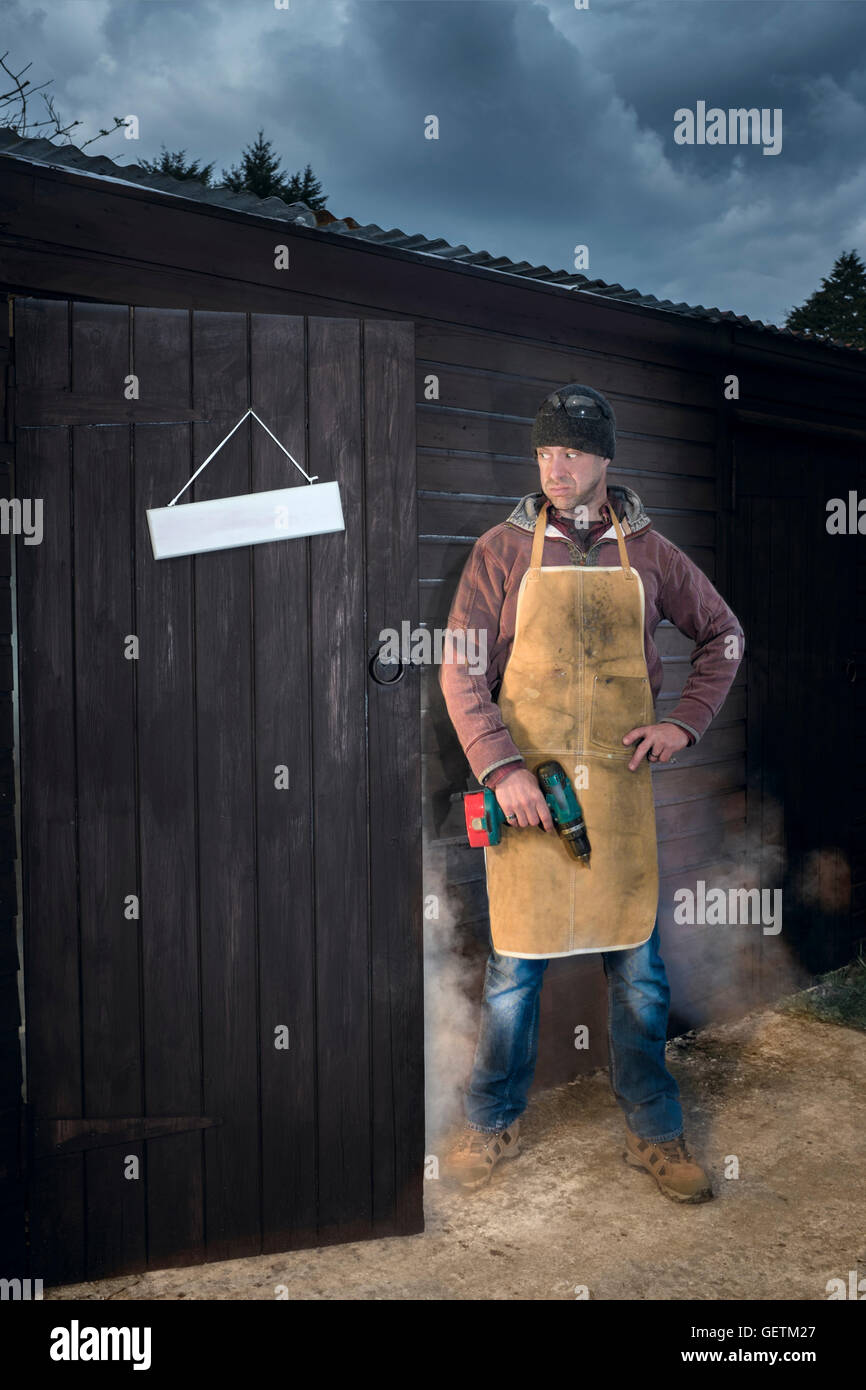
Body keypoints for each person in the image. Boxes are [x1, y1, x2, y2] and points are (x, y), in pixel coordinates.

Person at [438, 383, 745, 1202]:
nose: (556, 467)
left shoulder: (651, 555)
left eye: (571, 452)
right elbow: (462, 667)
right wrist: (501, 769)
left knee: (639, 975)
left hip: (615, 795)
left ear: (605, 457)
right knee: (514, 974)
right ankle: (492, 1118)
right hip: (528, 798)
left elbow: (725, 635)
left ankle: (657, 1130)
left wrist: (683, 722)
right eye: (545, 452)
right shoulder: (501, 550)